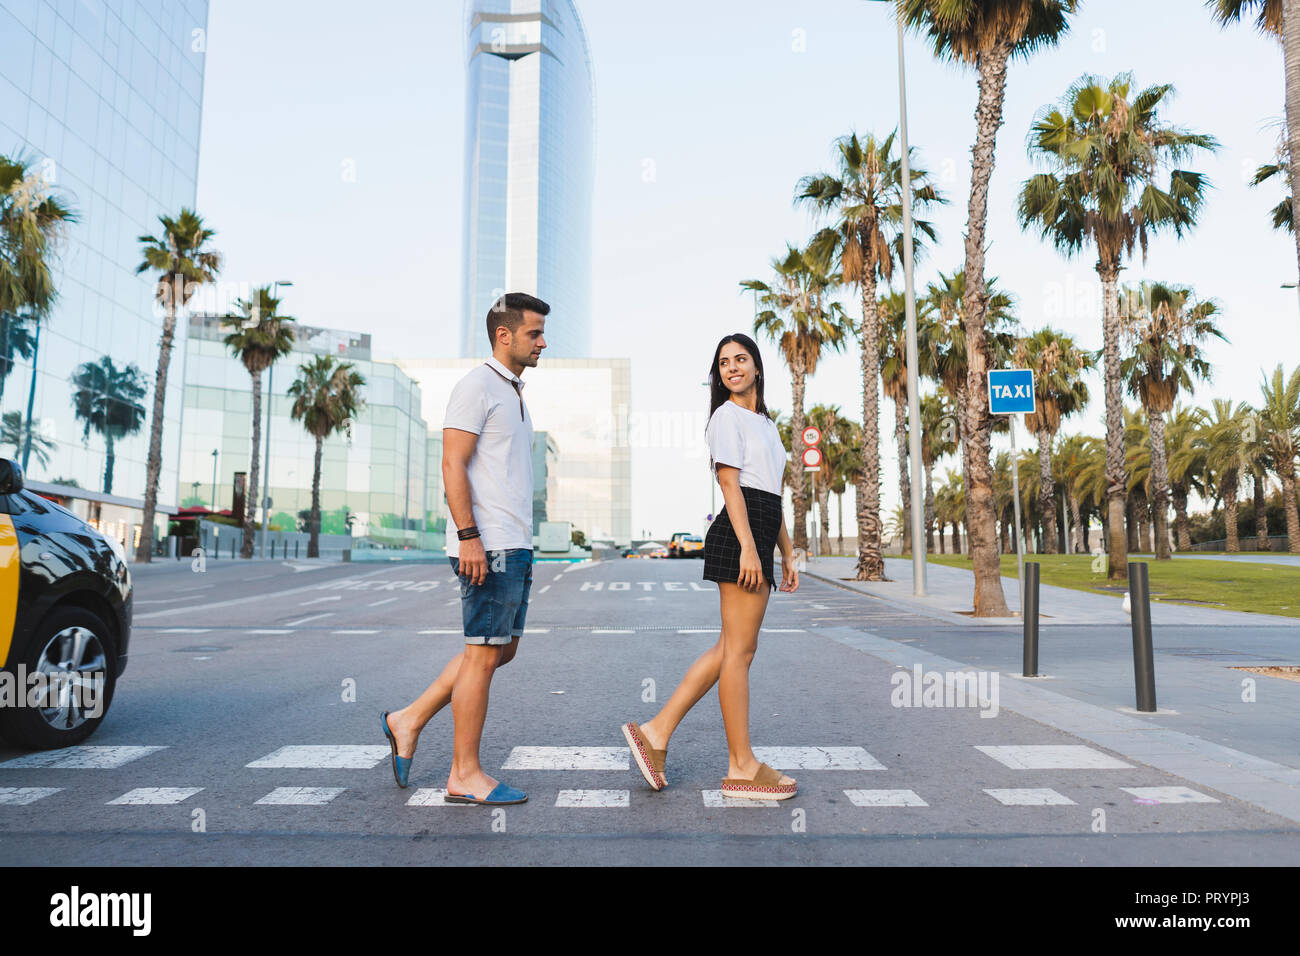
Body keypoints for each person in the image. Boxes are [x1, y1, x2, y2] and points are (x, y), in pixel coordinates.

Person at [381, 292, 548, 805]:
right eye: (534, 333)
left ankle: (408, 719)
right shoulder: (476, 386)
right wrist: (470, 537)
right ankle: (464, 774)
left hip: (512, 542)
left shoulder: (512, 391)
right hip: (489, 544)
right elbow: (453, 464)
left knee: (501, 649)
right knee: (482, 654)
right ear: (505, 335)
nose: (543, 342)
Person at [622, 332, 799, 800]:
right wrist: (748, 548)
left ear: (757, 367)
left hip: (761, 529)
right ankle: (740, 765)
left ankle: (657, 732)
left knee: (731, 649)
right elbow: (730, 483)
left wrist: (786, 551)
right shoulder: (725, 416)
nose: (732, 368)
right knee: (739, 653)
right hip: (739, 535)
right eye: (724, 363)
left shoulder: (766, 422)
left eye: (740, 359)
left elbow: (773, 494)